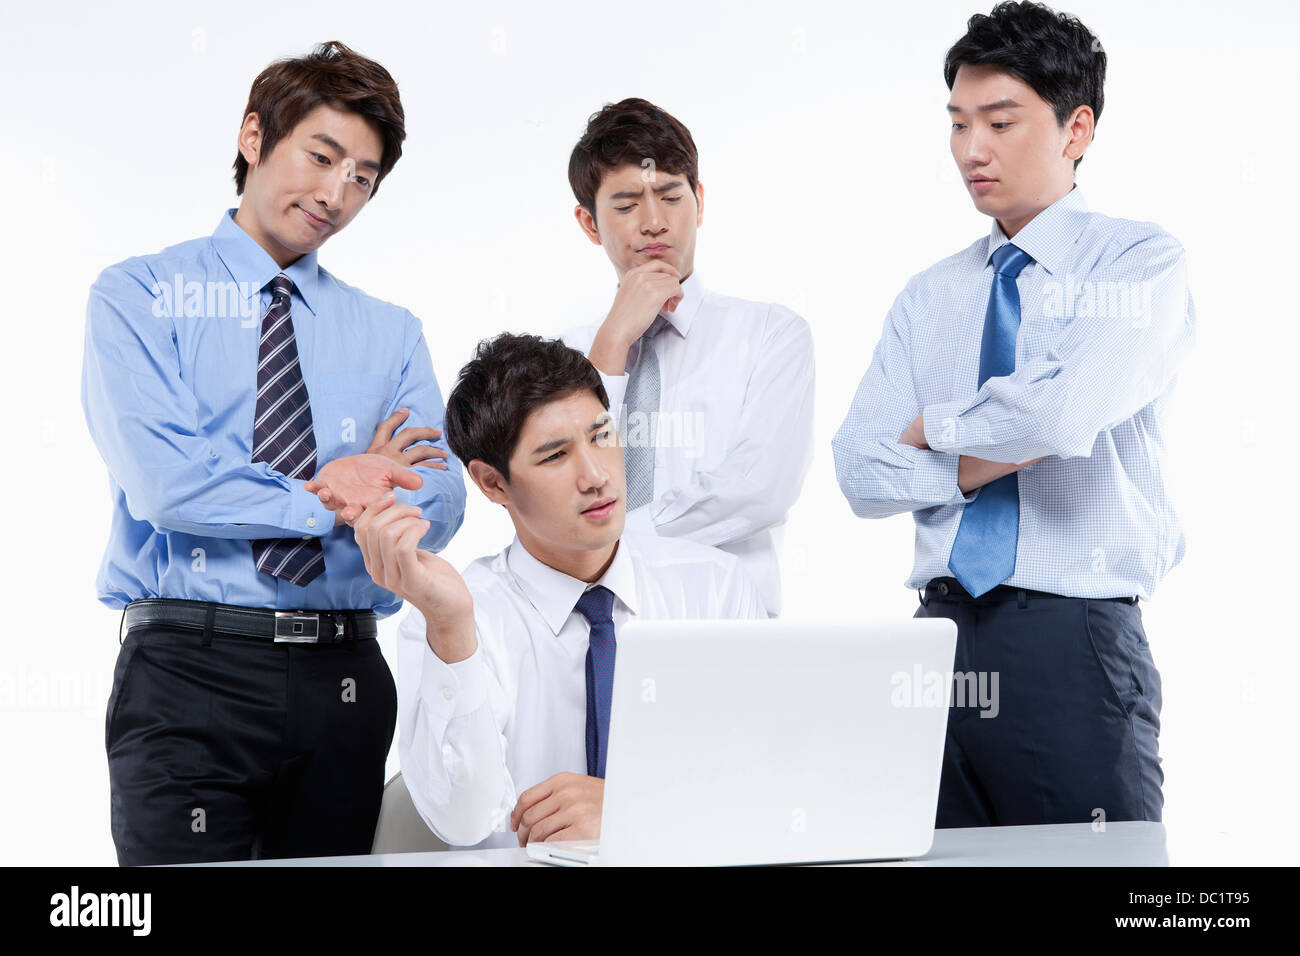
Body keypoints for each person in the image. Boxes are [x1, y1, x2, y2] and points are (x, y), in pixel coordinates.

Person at [82, 41, 466, 865]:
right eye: (321, 157)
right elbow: (167, 485)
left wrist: (364, 493)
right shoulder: (141, 295)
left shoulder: (390, 332)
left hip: (345, 678)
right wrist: (329, 494)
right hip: (188, 672)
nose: (336, 194)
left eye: (362, 177)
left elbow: (439, 498)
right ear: (253, 137)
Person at [831, 2, 1194, 828]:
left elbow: (1060, 417)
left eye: (1000, 123)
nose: (972, 150)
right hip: (935, 637)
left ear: (1076, 129)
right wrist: (990, 447)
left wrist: (933, 428)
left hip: (1070, 637)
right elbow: (859, 471)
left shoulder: (1136, 262)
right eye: (958, 124)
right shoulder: (930, 295)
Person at [324, 333, 765, 848]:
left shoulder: (714, 588)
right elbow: (464, 822)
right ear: (493, 483)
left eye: (602, 436)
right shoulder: (454, 618)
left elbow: (767, 773)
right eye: (556, 456)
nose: (596, 476)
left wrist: (632, 806)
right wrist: (452, 627)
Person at [560, 98, 814, 616]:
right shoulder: (567, 356)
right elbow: (555, 486)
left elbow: (759, 488)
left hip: (727, 626)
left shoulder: (771, 335)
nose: (654, 223)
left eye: (671, 197)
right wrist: (612, 344)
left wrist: (610, 539)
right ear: (589, 224)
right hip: (596, 627)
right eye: (626, 206)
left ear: (699, 201)